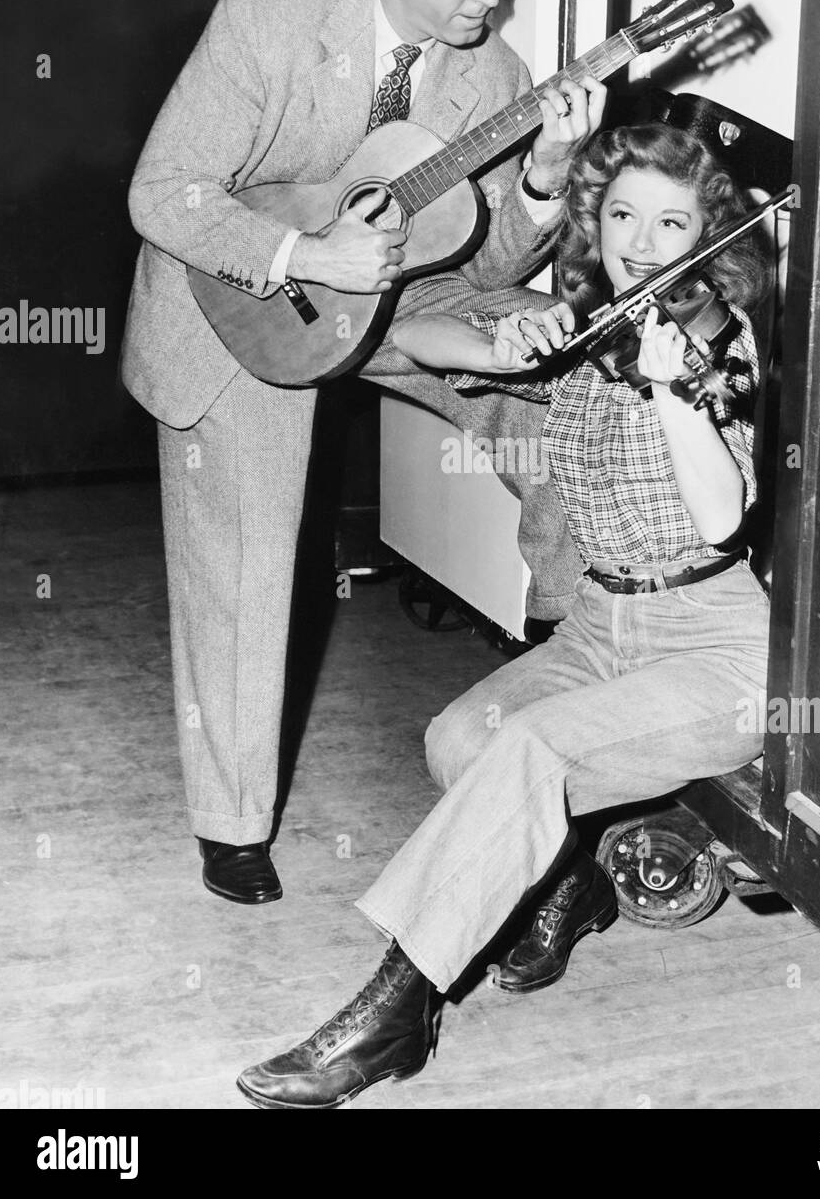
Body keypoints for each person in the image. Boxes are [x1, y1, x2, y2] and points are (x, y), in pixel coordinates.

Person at [235, 122, 773, 1109]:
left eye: (669, 222)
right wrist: (507, 336)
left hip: (715, 649)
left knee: (527, 753)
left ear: (707, 232)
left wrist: (674, 398)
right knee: (459, 740)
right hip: (601, 629)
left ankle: (394, 1011)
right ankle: (570, 884)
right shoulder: (587, 327)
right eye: (620, 216)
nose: (641, 243)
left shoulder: (713, 345)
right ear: (595, 223)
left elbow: (723, 513)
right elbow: (405, 336)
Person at [119, 0, 604, 904]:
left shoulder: (497, 75)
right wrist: (303, 254)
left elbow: (484, 264)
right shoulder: (266, 18)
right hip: (239, 300)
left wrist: (548, 178)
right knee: (245, 560)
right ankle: (233, 820)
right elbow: (165, 193)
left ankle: (567, 671)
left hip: (403, 296)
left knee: (577, 378)